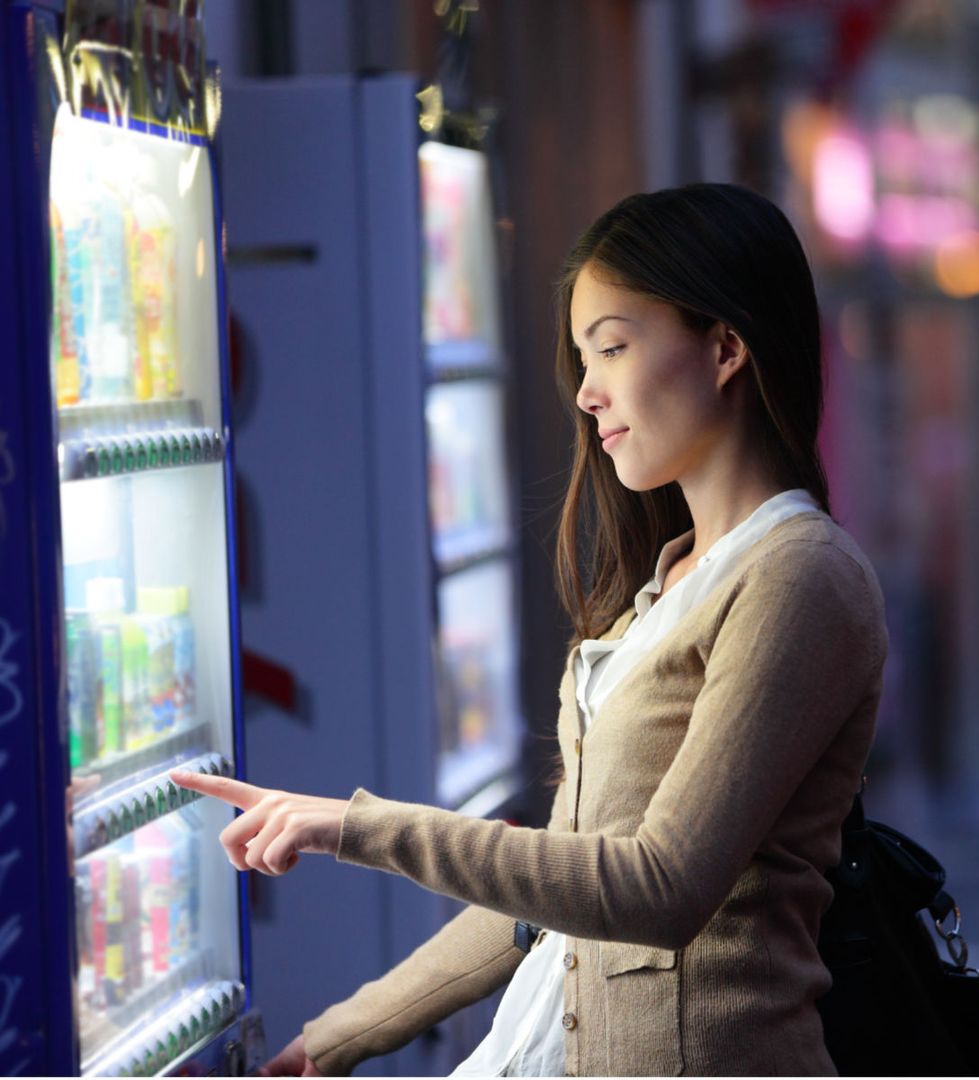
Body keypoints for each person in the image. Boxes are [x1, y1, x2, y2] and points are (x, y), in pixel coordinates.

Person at [173, 182, 888, 1077]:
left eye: (612, 348)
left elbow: (660, 888)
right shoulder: (665, 584)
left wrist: (357, 826)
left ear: (725, 347)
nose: (587, 393)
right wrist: (338, 1039)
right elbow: (545, 904)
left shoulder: (799, 576)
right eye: (584, 360)